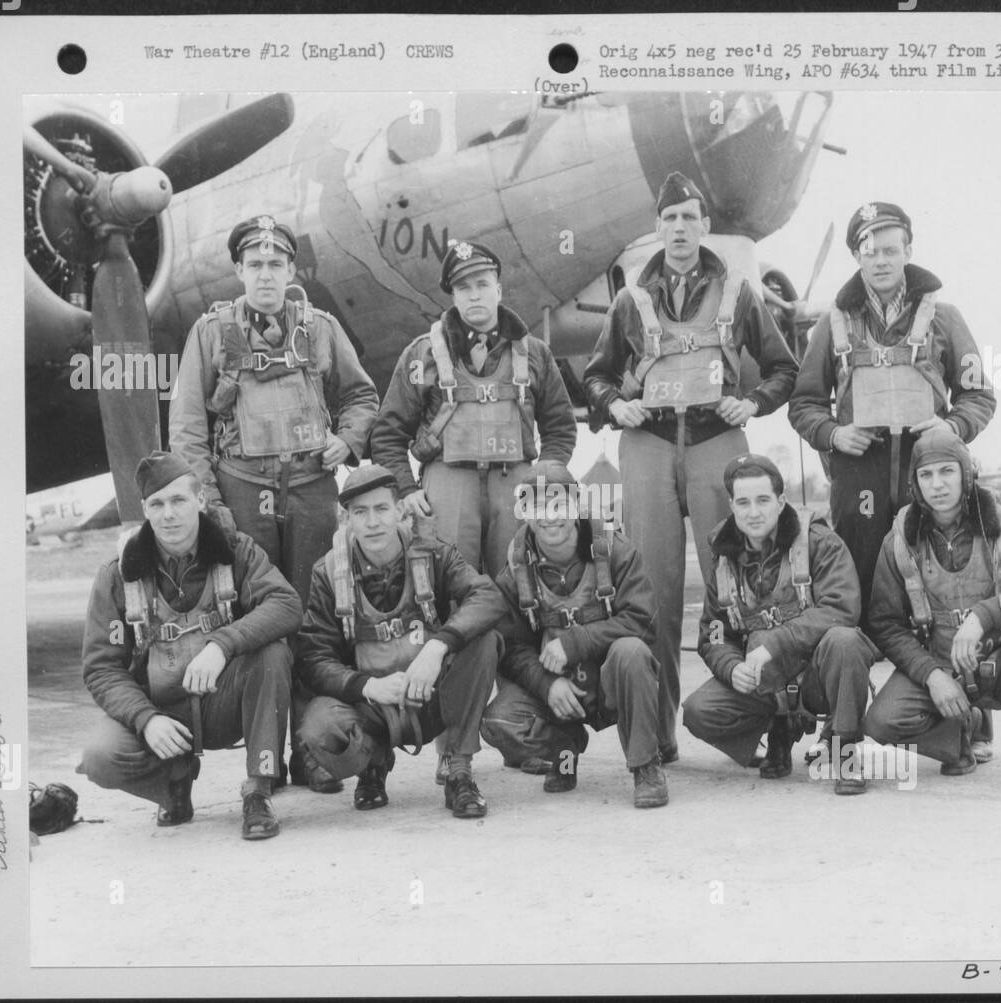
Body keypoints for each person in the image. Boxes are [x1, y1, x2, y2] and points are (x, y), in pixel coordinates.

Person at [581, 171, 799, 762]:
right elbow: (596, 374)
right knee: (651, 591)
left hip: (716, 441)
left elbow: (783, 368)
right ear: (656, 229)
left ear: (705, 227)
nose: (679, 229)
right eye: (669, 219)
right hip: (649, 444)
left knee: (743, 582)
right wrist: (614, 404)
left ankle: (768, 722)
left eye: (689, 218)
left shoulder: (736, 293)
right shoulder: (631, 300)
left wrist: (752, 402)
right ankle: (657, 732)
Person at [168, 214, 380, 784]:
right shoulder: (211, 333)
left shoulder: (320, 329)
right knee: (256, 616)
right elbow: (187, 429)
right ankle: (262, 754)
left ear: (291, 269)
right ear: (239, 270)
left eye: (276, 264)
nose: (266, 275)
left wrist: (348, 438)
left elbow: (362, 395)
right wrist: (211, 503)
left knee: (315, 617)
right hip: (241, 490)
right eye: (255, 264)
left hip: (311, 487)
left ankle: (310, 751)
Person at [788, 202, 997, 625]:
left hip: (929, 466)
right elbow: (803, 404)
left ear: (908, 250)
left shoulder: (945, 320)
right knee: (858, 585)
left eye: (889, 250)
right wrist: (833, 434)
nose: (880, 260)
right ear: (856, 256)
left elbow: (979, 397)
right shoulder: (832, 325)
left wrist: (951, 427)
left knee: (938, 571)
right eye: (869, 251)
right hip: (858, 470)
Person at [78, 451, 302, 839]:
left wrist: (221, 645)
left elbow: (286, 604)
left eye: (179, 500)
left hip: (222, 703)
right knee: (100, 757)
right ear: (145, 511)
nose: (169, 514)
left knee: (272, 653)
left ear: (200, 501)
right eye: (157, 504)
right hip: (160, 708)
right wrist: (145, 720)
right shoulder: (117, 575)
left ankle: (259, 789)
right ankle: (174, 782)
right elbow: (101, 667)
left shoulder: (236, 550)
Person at [864, 430, 1001, 797]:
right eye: (926, 475)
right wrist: (930, 675)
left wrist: (982, 615)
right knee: (881, 722)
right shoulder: (899, 539)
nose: (937, 485)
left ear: (966, 474)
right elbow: (885, 622)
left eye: (947, 472)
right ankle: (962, 730)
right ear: (915, 482)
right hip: (942, 662)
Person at [291, 464, 506, 818]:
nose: (373, 522)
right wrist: (367, 687)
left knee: (484, 641)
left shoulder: (433, 553)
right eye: (360, 512)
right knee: (319, 729)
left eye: (381, 509)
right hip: (373, 705)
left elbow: (487, 597)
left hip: (432, 697)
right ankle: (372, 764)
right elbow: (313, 659)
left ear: (400, 510)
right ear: (346, 518)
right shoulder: (328, 572)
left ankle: (459, 768)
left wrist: (437, 648)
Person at [370, 239, 578, 575]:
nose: (474, 295)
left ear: (498, 289)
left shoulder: (535, 354)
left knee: (520, 581)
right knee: (450, 586)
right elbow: (387, 434)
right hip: (448, 483)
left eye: (482, 284)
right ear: (453, 296)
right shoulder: (421, 354)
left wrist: (544, 479)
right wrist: (406, 491)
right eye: (463, 287)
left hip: (515, 485)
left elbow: (560, 428)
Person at [682, 455, 879, 793]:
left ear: (781, 501)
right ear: (731, 505)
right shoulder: (723, 557)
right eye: (743, 502)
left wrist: (773, 644)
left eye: (763, 500)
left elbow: (842, 608)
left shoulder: (818, 541)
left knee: (845, 641)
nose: (753, 512)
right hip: (767, 682)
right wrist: (731, 668)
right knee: (699, 711)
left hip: (819, 675)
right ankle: (779, 728)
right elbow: (714, 633)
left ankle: (844, 744)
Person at [480, 462, 669, 808]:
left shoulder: (616, 551)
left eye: (559, 505)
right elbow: (511, 647)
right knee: (498, 721)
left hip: (611, 682)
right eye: (538, 506)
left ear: (577, 505)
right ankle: (565, 748)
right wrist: (546, 685)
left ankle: (645, 765)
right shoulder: (515, 568)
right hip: (559, 686)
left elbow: (643, 620)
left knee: (633, 652)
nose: (549, 517)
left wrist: (575, 641)